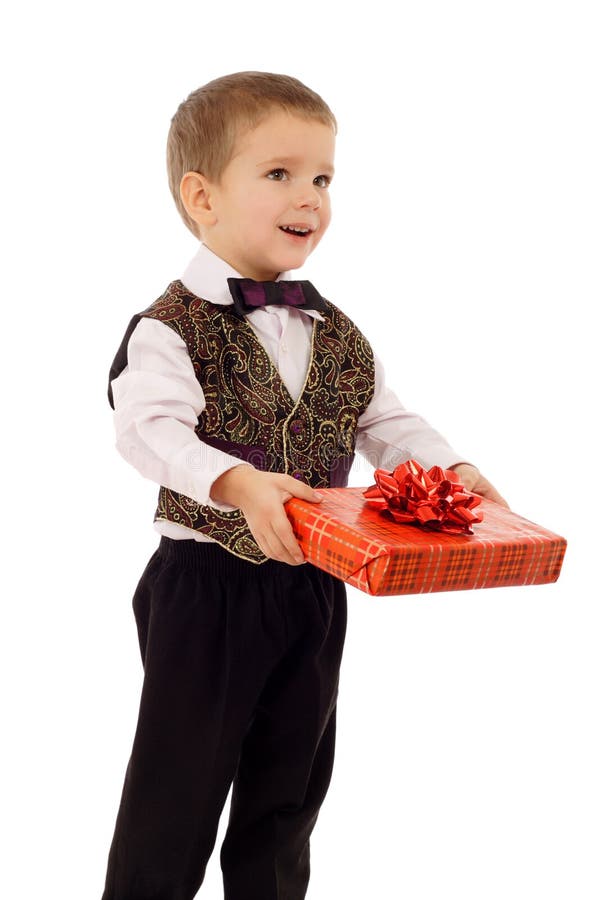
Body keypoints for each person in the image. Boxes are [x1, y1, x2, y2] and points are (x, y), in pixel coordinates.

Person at [101, 71, 508, 900]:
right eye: (280, 173)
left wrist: (453, 469)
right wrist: (241, 483)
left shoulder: (336, 330)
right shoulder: (167, 328)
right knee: (177, 794)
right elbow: (149, 432)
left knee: (290, 791)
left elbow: (384, 422)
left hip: (315, 587)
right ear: (202, 195)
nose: (310, 197)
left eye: (323, 178)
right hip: (206, 589)